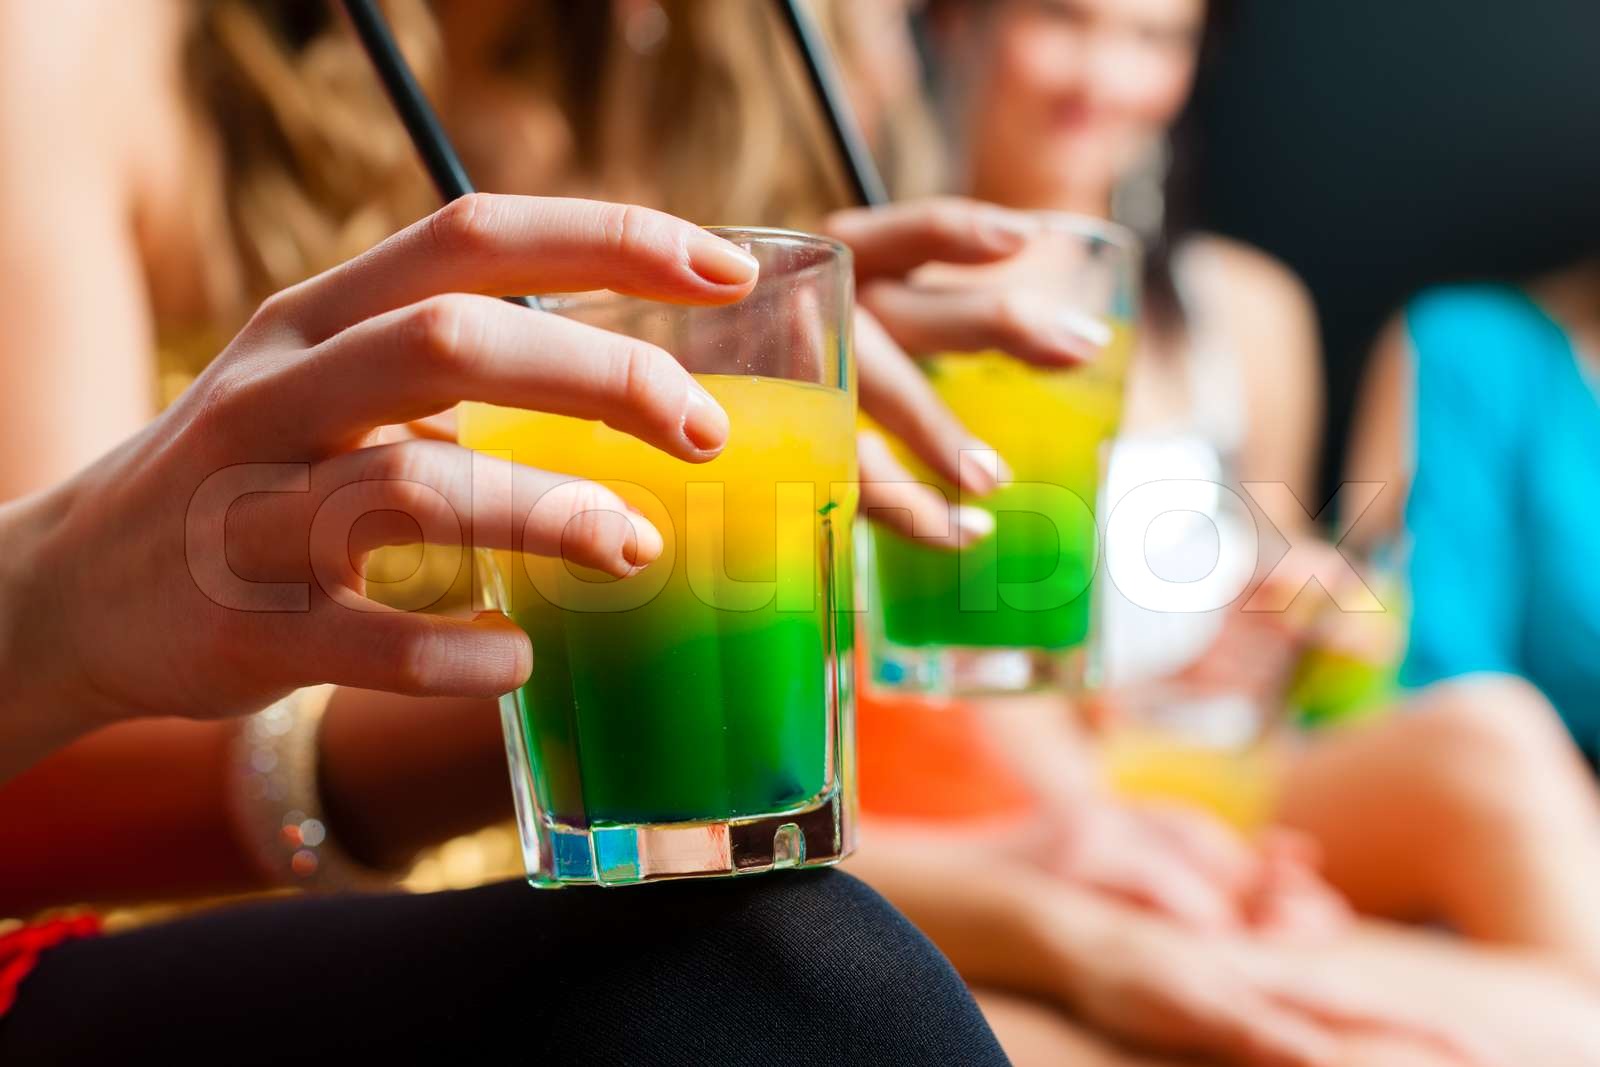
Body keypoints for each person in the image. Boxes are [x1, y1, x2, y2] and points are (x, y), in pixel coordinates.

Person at [834, 0, 1600, 1062]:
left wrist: (1292, 637)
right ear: (956, 24)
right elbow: (942, 664)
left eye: (1153, 38)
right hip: (1006, 782)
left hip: (1187, 766)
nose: (1101, 76)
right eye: (1063, 19)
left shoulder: (1243, 312)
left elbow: (1256, 659)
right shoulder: (858, 305)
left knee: (1494, 728)